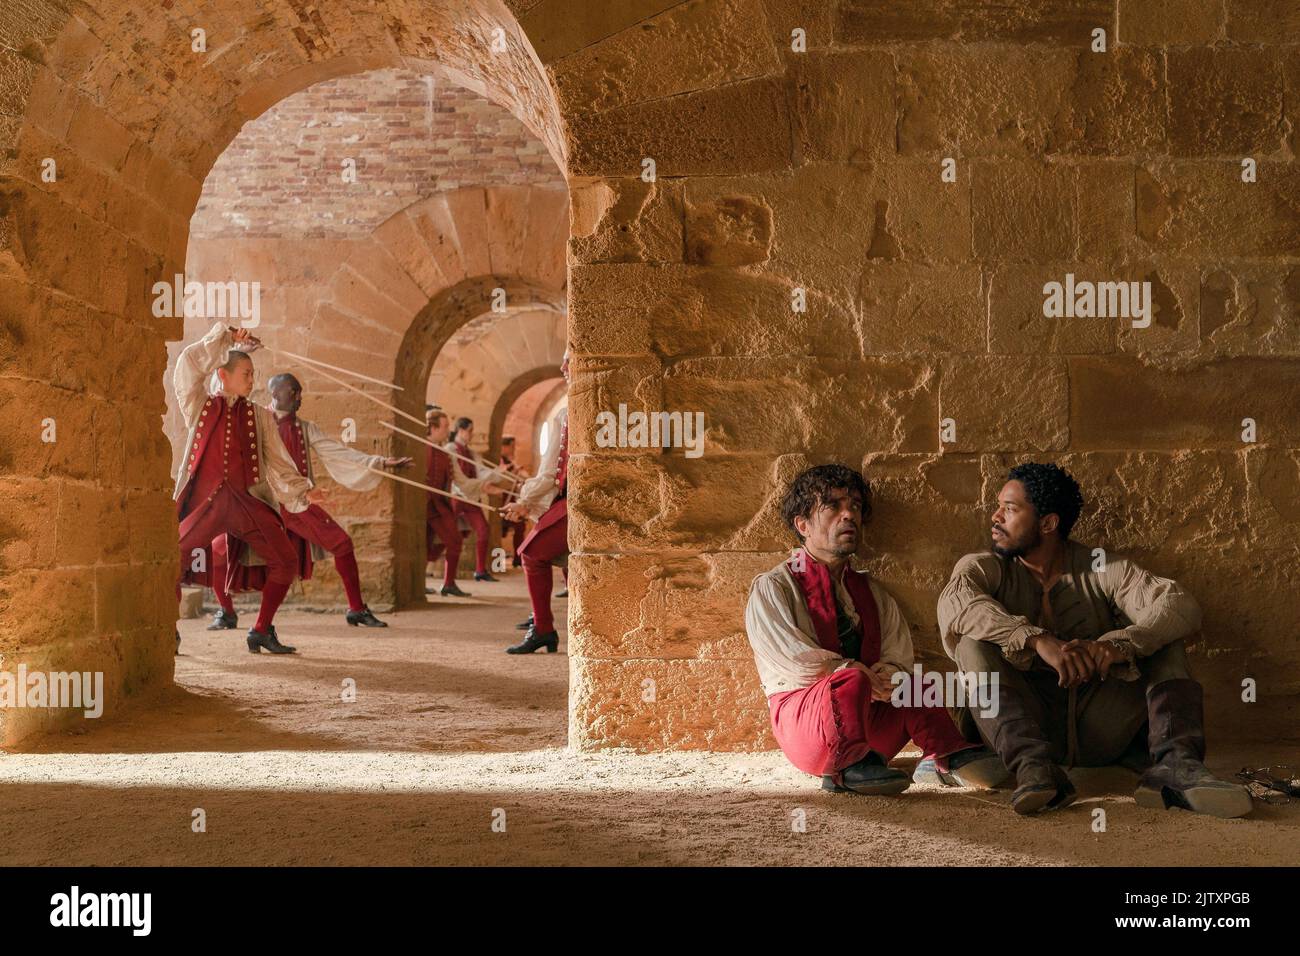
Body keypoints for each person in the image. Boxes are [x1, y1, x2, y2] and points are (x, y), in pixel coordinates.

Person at [938, 462, 1252, 818]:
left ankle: (1176, 766)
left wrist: (1118, 644)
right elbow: (956, 603)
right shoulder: (984, 566)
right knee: (971, 644)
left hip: (1102, 726)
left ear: (1047, 523)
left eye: (1010, 509)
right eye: (999, 506)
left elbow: (1179, 605)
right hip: (1023, 724)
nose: (995, 516)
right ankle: (1035, 770)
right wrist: (1034, 639)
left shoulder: (1098, 566)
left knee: (1165, 640)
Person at [744, 464, 1006, 795]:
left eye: (854, 505)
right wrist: (856, 672)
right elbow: (792, 659)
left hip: (872, 724)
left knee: (914, 683)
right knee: (851, 678)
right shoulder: (773, 587)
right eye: (834, 506)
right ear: (802, 524)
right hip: (807, 725)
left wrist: (890, 674)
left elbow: (898, 653)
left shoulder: (872, 592)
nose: (848, 515)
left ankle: (945, 755)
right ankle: (846, 768)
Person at [206, 373, 411, 630]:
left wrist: (378, 463)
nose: (299, 398)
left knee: (342, 544)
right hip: (262, 504)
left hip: (297, 504)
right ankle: (226, 612)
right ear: (276, 393)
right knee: (216, 552)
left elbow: (337, 451)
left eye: (299, 392)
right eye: (294, 392)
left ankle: (356, 609)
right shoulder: (255, 421)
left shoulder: (305, 428)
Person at [173, 323, 317, 655]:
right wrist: (224, 337)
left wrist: (302, 491)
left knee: (284, 559)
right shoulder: (198, 403)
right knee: (172, 558)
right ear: (223, 375)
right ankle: (168, 631)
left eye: (253, 374)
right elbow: (188, 365)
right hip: (204, 504)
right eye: (246, 374)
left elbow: (277, 460)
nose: (253, 381)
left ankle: (261, 630)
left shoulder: (259, 415)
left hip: (246, 503)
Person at [500, 356, 570, 655]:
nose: (566, 369)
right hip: (575, 499)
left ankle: (543, 627)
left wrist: (525, 501)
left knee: (530, 553)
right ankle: (545, 624)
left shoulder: (567, 414)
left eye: (570, 364)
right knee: (561, 556)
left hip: (577, 502)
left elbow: (551, 472)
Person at [447, 417, 508, 583]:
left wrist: (499, 472)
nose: (471, 434)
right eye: (469, 430)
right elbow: (458, 479)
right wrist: (485, 487)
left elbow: (482, 473)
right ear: (460, 430)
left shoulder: (472, 453)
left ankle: (480, 570)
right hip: (456, 496)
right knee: (448, 536)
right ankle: (447, 580)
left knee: (483, 529)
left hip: (471, 496)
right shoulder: (450, 449)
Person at [497, 435, 528, 568]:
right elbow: (500, 478)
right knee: (498, 530)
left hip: (511, 499)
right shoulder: (500, 461)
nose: (513, 449)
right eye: (512, 446)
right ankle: (497, 564)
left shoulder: (511, 461)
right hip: (501, 499)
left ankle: (517, 558)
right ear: (504, 446)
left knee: (519, 526)